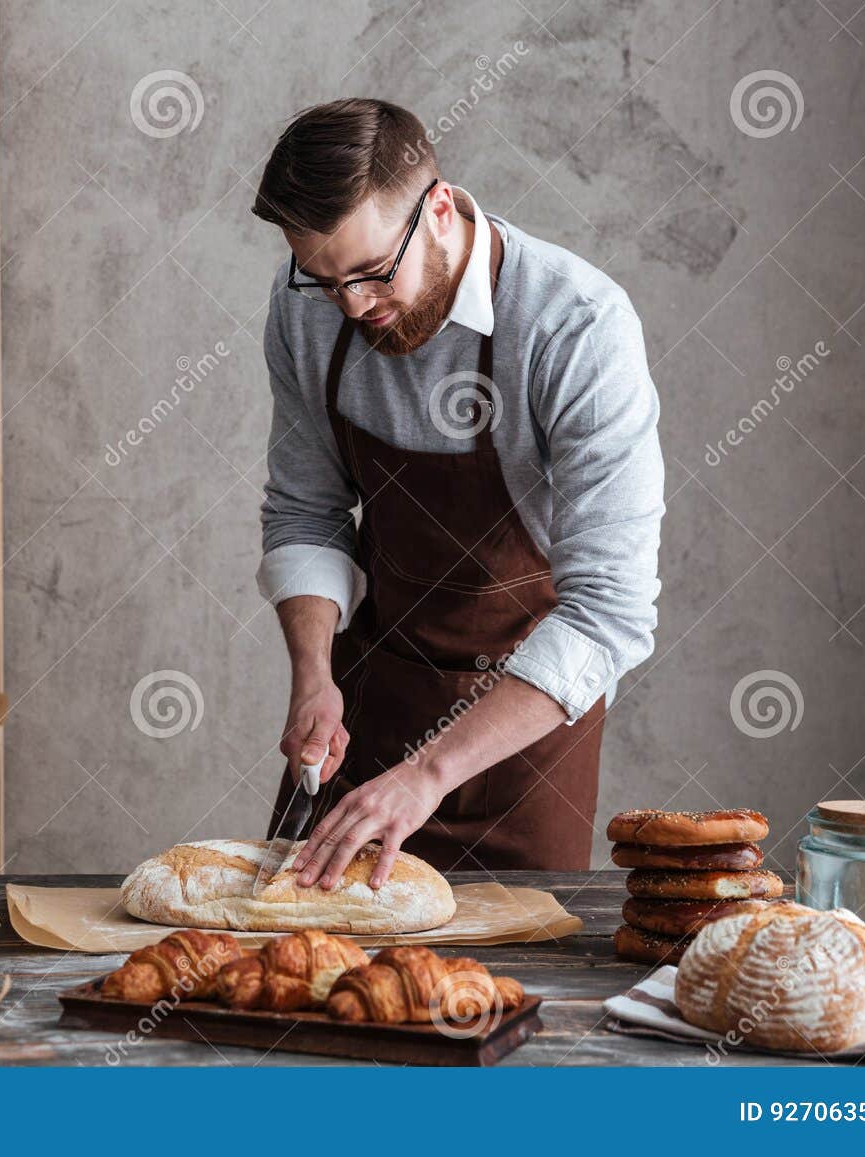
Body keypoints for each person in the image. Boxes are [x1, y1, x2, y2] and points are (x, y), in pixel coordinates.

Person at [253, 98, 664, 889]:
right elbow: (307, 510)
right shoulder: (303, 308)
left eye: (372, 275)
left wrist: (430, 773)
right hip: (372, 700)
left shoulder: (575, 328)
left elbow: (608, 610)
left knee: (498, 991)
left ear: (440, 209)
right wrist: (313, 672)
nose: (353, 308)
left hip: (522, 738)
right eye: (324, 280)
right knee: (306, 978)